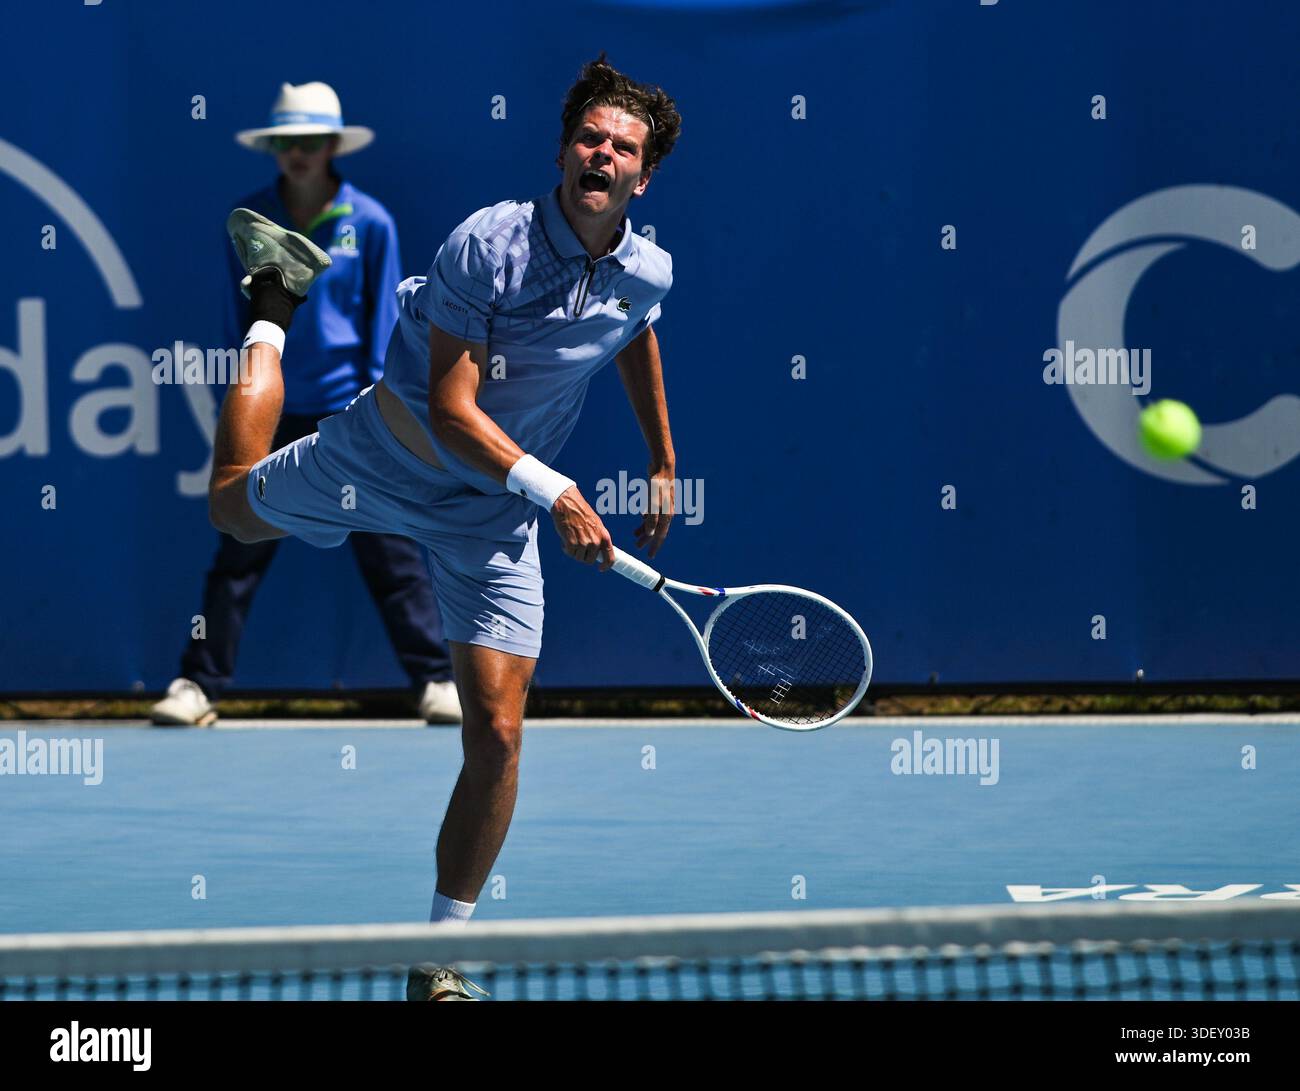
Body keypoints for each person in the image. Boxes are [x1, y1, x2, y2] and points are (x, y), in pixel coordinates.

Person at [207, 55, 680, 998]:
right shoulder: (487, 243)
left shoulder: (648, 270)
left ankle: (437, 961)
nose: (602, 153)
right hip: (383, 458)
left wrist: (663, 459)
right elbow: (454, 410)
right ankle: (273, 301)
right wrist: (556, 491)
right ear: (562, 152)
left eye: (622, 147)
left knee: (497, 734)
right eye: (589, 137)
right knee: (231, 505)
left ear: (643, 175)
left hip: (489, 516)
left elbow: (634, 327)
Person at [152, 82, 461, 728]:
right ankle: (198, 684)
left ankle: (435, 678)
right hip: (269, 413)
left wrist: (379, 406)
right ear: (275, 147)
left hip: (351, 412)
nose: (300, 152)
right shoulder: (249, 217)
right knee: (237, 548)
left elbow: (386, 324)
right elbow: (237, 317)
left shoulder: (371, 221)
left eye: (312, 140)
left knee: (390, 552)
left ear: (332, 146)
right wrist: (241, 387)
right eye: (288, 141)